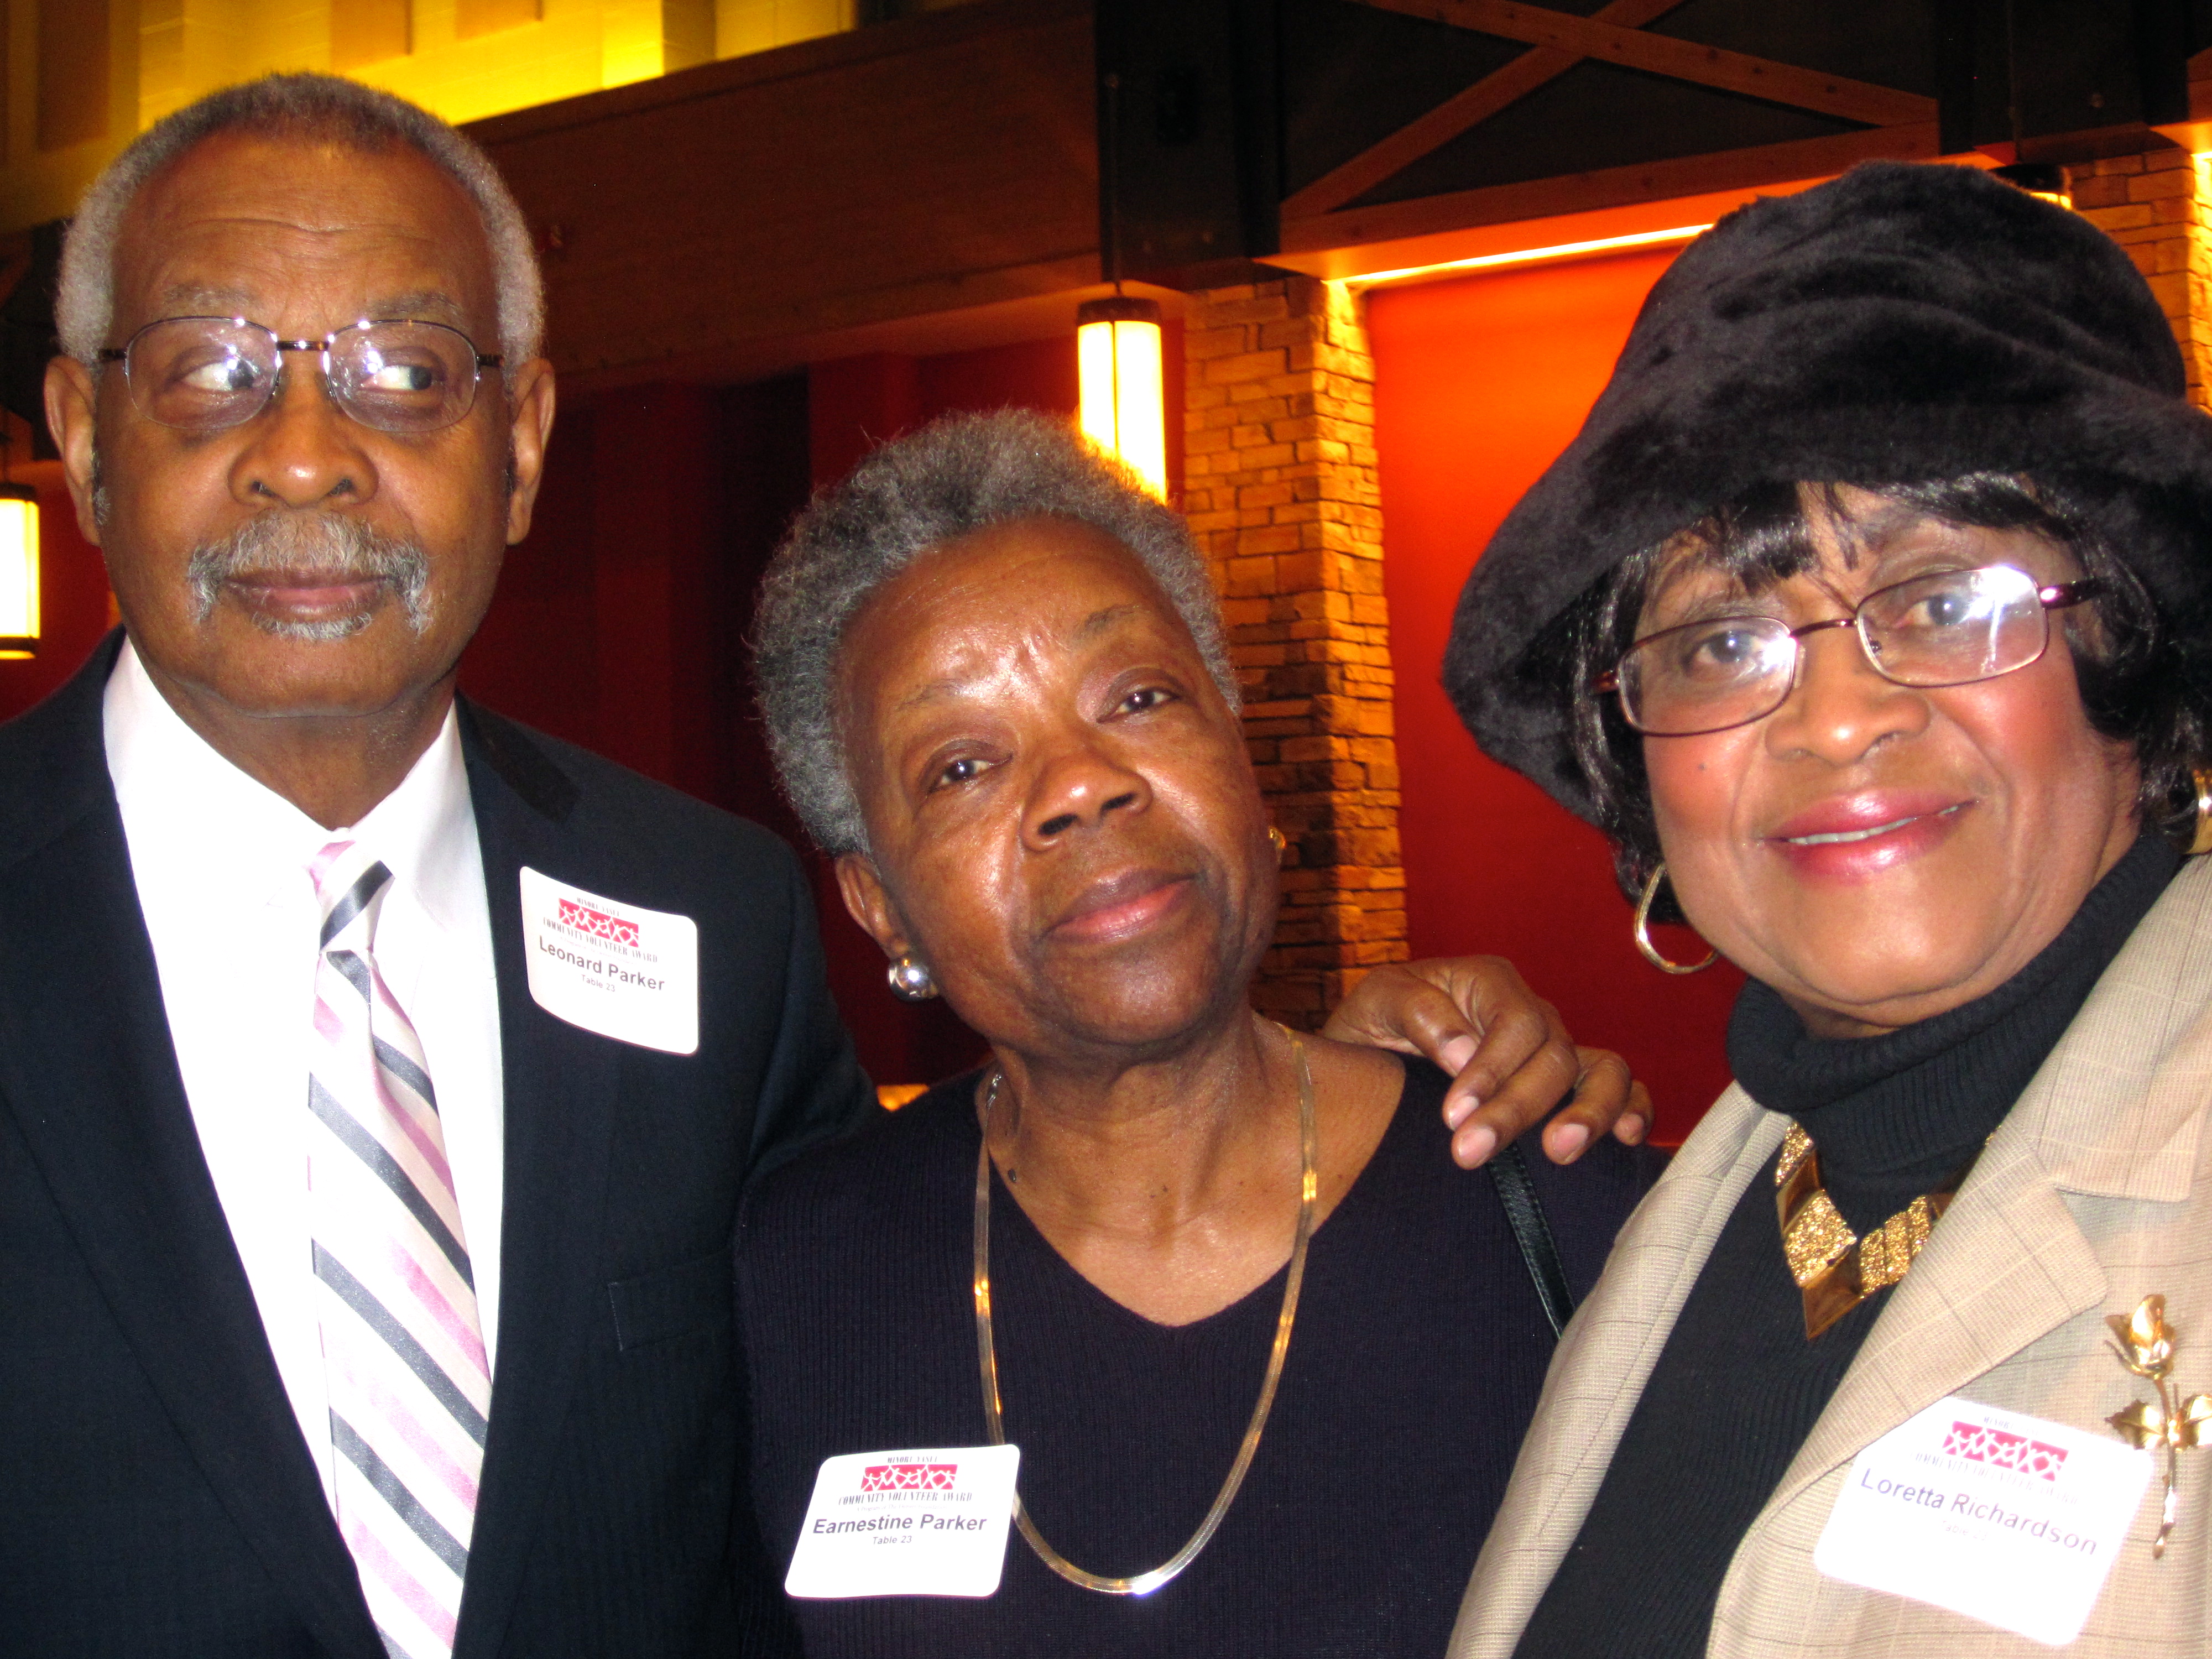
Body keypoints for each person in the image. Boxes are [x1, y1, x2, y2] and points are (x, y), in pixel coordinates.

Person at [0, 71, 1637, 1659]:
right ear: (80, 435)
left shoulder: (706, 921)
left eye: (405, 368)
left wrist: (1389, 1076)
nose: (304, 454)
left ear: (518, 444)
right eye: (213, 366)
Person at [1439, 161, 2212, 1657]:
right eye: (1724, 639)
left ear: (2126, 647)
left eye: (1938, 603)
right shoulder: (1691, 1219)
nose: (1836, 718)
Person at [736, 410, 1662, 1658]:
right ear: (877, 904)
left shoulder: (1571, 1218)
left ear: (1238, 753)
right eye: (960, 766)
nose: (1079, 784)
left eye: (1137, 696)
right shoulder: (789, 1279)